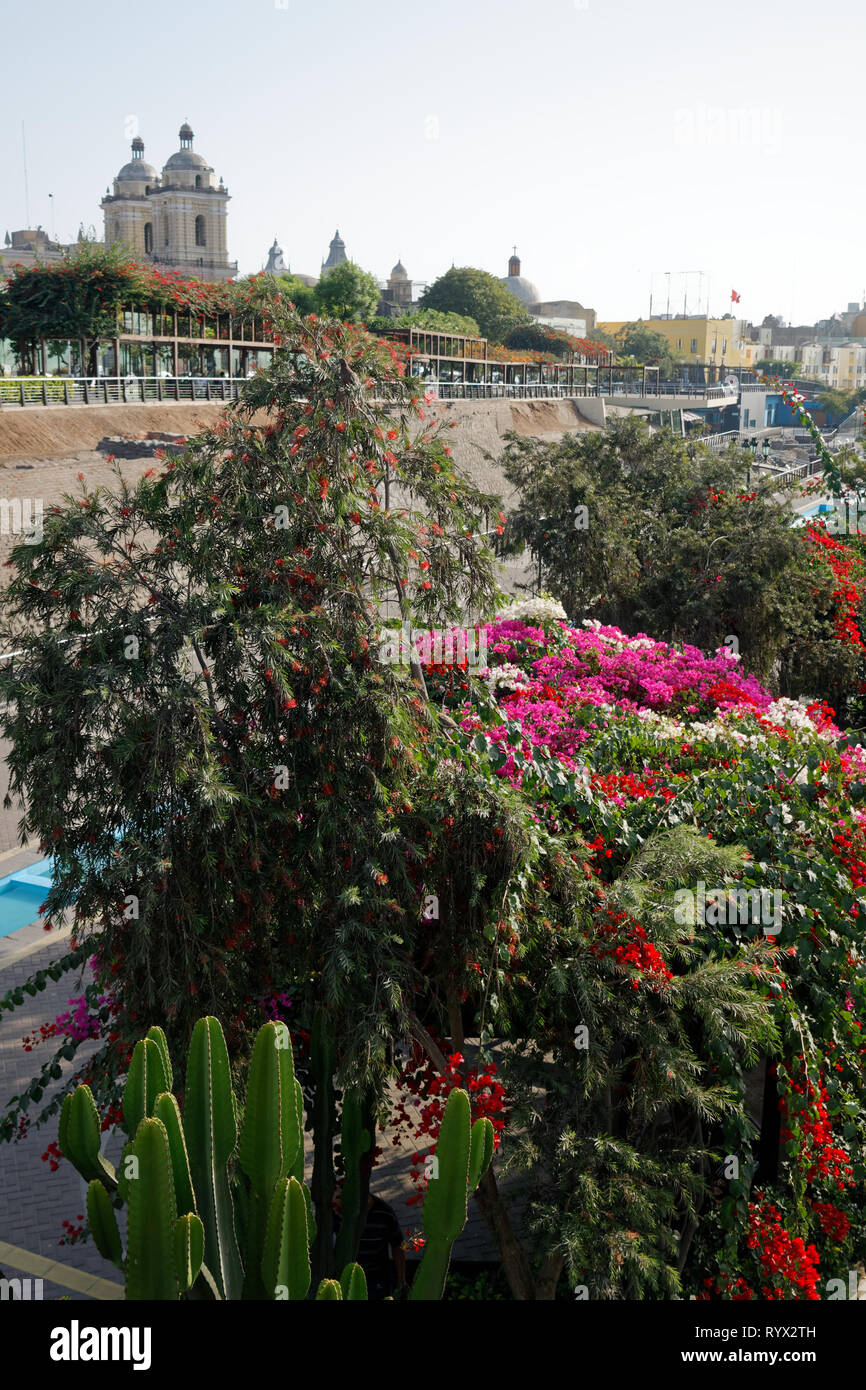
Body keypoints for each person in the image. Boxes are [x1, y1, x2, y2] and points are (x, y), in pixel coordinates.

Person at [332, 1186, 406, 1299]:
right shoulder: (340, 1212)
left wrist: (401, 1281)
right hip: (345, 1274)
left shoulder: (385, 1214)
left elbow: (398, 1245)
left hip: (377, 1276)